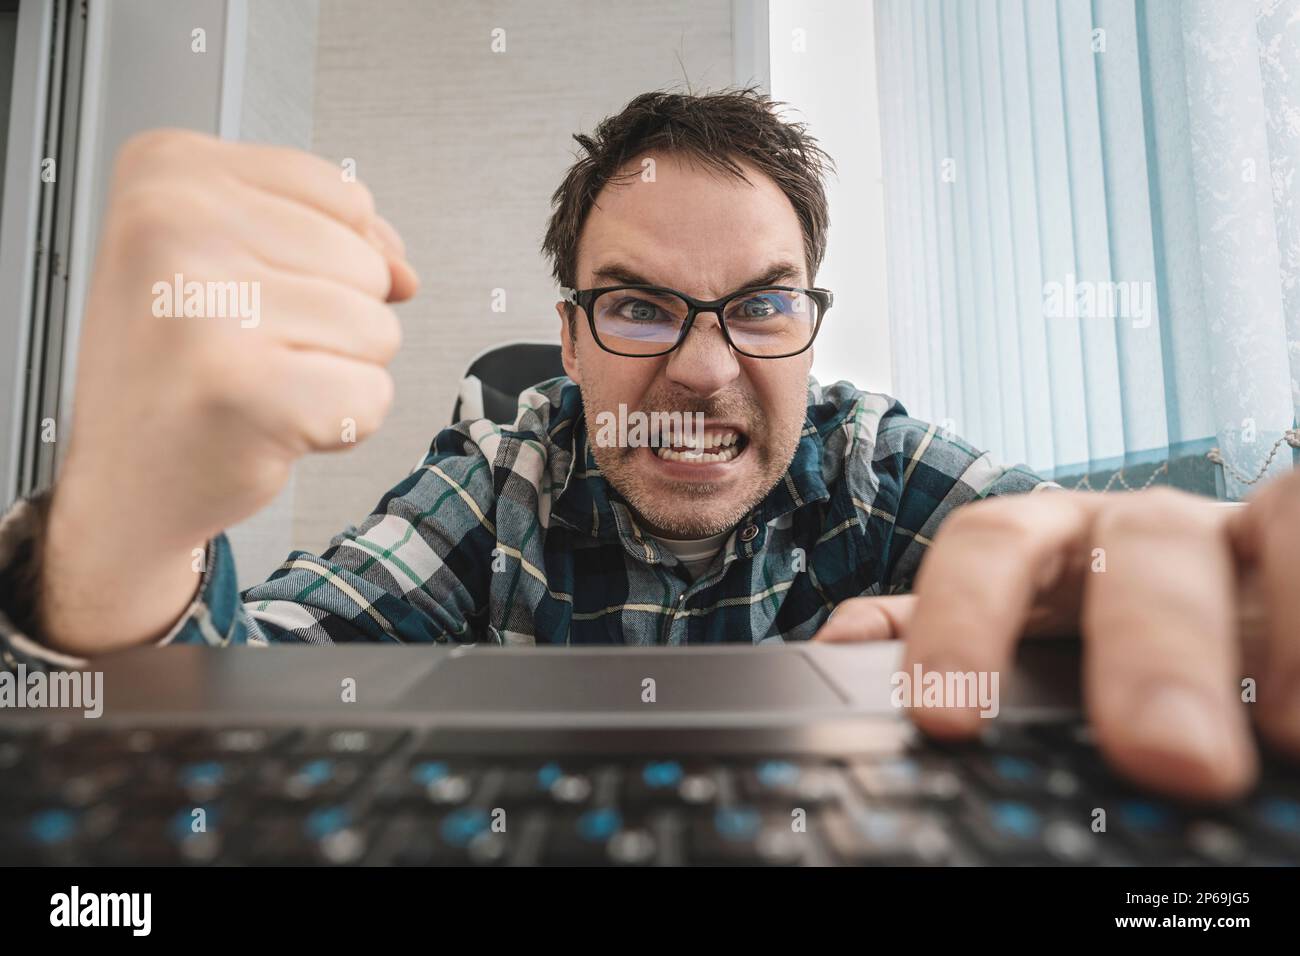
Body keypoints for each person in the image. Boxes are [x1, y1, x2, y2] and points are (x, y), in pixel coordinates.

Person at [0, 89, 1294, 801]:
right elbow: (228, 708)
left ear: (807, 324)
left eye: (763, 304)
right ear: (567, 341)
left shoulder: (876, 469)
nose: (704, 363)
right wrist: (121, 536)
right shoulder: (498, 484)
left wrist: (1172, 591)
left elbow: (1075, 560)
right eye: (636, 306)